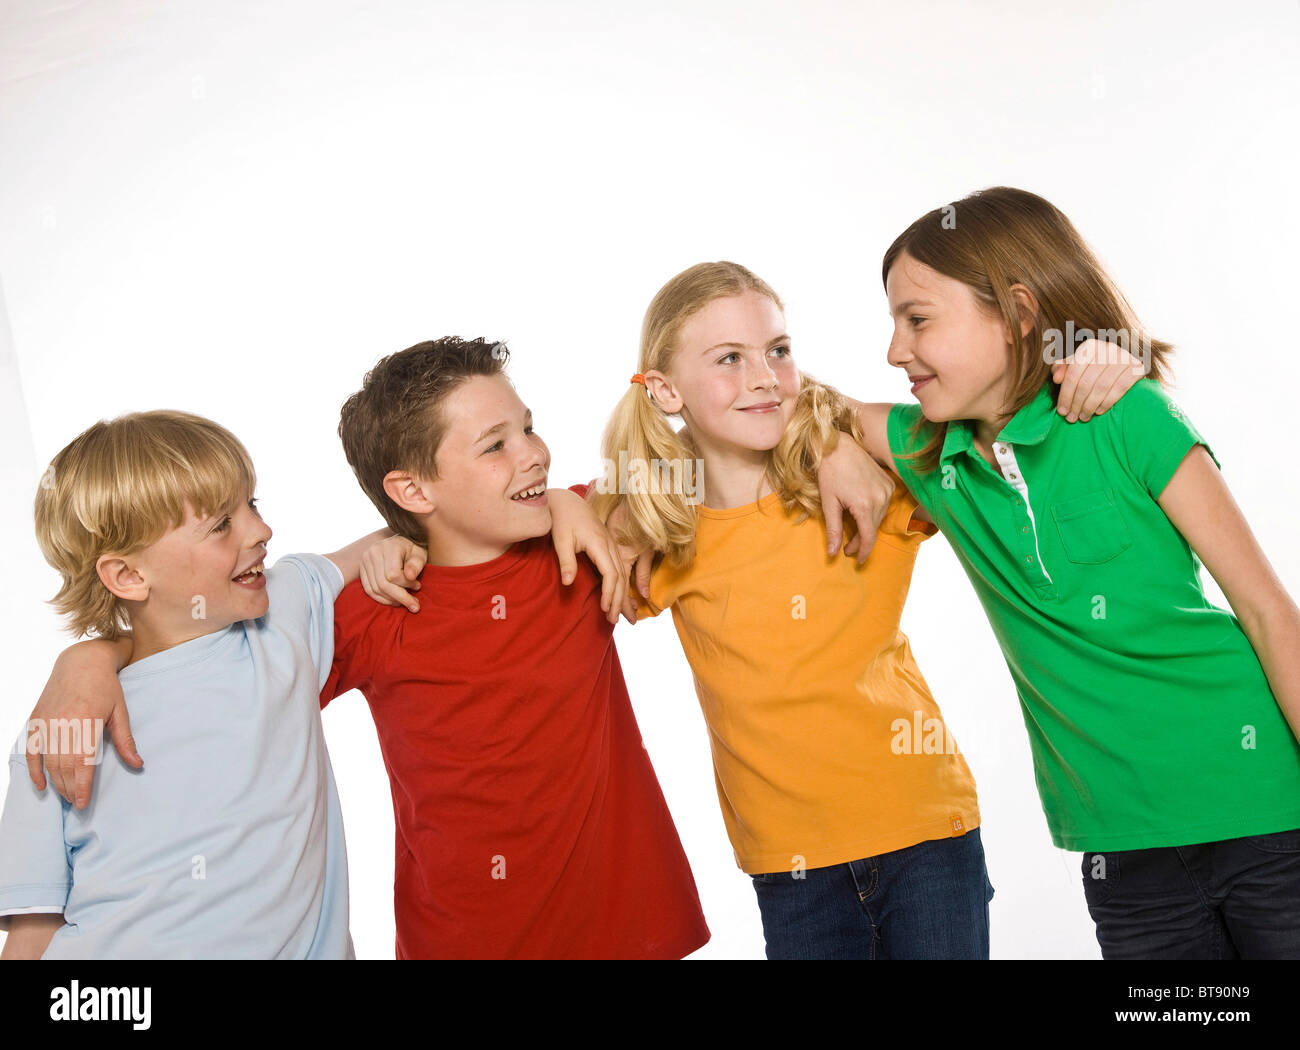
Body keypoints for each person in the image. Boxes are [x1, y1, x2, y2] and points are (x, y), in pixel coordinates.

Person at [581, 262, 1137, 959]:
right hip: (791, 863)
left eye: (777, 351)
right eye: (729, 359)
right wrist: (397, 539)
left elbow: (1002, 427)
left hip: (926, 835)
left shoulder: (867, 482)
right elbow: (518, 529)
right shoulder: (656, 527)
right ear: (663, 389)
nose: (763, 377)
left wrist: (1100, 356)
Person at [846, 185, 1300, 959]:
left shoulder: (1128, 414)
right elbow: (796, 409)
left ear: (1020, 313)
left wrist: (1101, 347)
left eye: (918, 319)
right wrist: (826, 443)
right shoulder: (932, 456)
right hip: (1122, 855)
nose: (895, 350)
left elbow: (1264, 609)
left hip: (1267, 815)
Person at [325, 336, 709, 959]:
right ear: (415, 491)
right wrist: (102, 652)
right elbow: (235, 678)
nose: (535, 454)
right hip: (463, 942)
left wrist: (567, 502)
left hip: (628, 935)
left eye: (528, 429)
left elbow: (714, 461)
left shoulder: (583, 539)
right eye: (496, 445)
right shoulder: (376, 605)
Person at [0, 410, 402, 959]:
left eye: (252, 505)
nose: (261, 532)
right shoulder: (61, 723)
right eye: (221, 525)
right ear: (128, 576)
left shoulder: (281, 615)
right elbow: (31, 932)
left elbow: (419, 524)